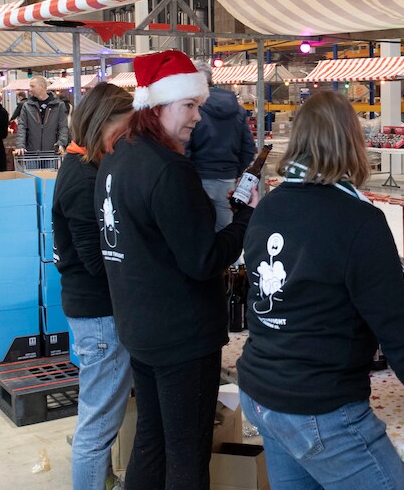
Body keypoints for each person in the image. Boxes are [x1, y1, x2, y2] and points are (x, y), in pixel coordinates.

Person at [236, 91, 404, 487]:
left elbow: (265, 300)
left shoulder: (271, 205)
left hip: (262, 391)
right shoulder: (357, 221)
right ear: (351, 143)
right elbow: (399, 329)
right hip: (318, 407)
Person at [96, 50, 255, 489]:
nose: (197, 118)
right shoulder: (170, 170)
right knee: (186, 455)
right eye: (189, 106)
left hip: (140, 327)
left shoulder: (116, 160)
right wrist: (244, 218)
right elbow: (204, 260)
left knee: (152, 440)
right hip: (181, 337)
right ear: (159, 105)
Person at [54, 83, 135, 490]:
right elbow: (95, 260)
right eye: (123, 132)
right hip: (98, 314)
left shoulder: (85, 167)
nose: (127, 141)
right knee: (98, 424)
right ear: (101, 124)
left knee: (99, 417)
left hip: (93, 310)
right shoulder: (82, 179)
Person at [187, 60, 256, 230]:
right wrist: (235, 171)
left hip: (197, 179)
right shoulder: (237, 109)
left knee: (197, 231)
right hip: (227, 180)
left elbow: (185, 146)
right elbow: (248, 147)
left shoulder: (193, 108)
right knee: (225, 232)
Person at [15, 76, 68, 157]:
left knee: (51, 170)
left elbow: (63, 127)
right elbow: (22, 126)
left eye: (32, 86)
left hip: (52, 153)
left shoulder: (59, 105)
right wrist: (20, 145)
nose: (30, 89)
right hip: (31, 153)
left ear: (42, 86)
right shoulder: (27, 106)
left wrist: (61, 143)